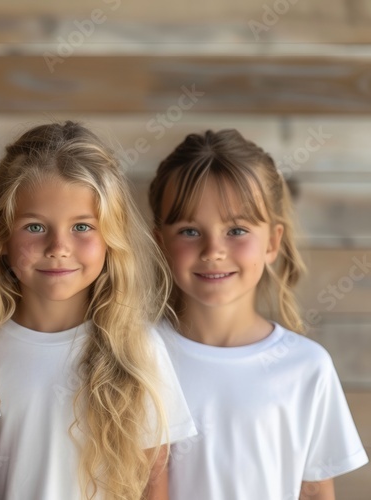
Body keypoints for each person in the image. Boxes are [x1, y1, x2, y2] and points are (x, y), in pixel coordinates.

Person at [0, 121, 196, 499]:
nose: (59, 246)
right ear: (1, 233)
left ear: (111, 235)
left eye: (81, 227)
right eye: (35, 226)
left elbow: (153, 483)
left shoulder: (139, 348)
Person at [149, 129, 367, 499]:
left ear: (272, 242)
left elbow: (314, 492)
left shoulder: (306, 368)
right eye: (189, 230)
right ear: (160, 243)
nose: (213, 250)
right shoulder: (136, 357)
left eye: (236, 230)